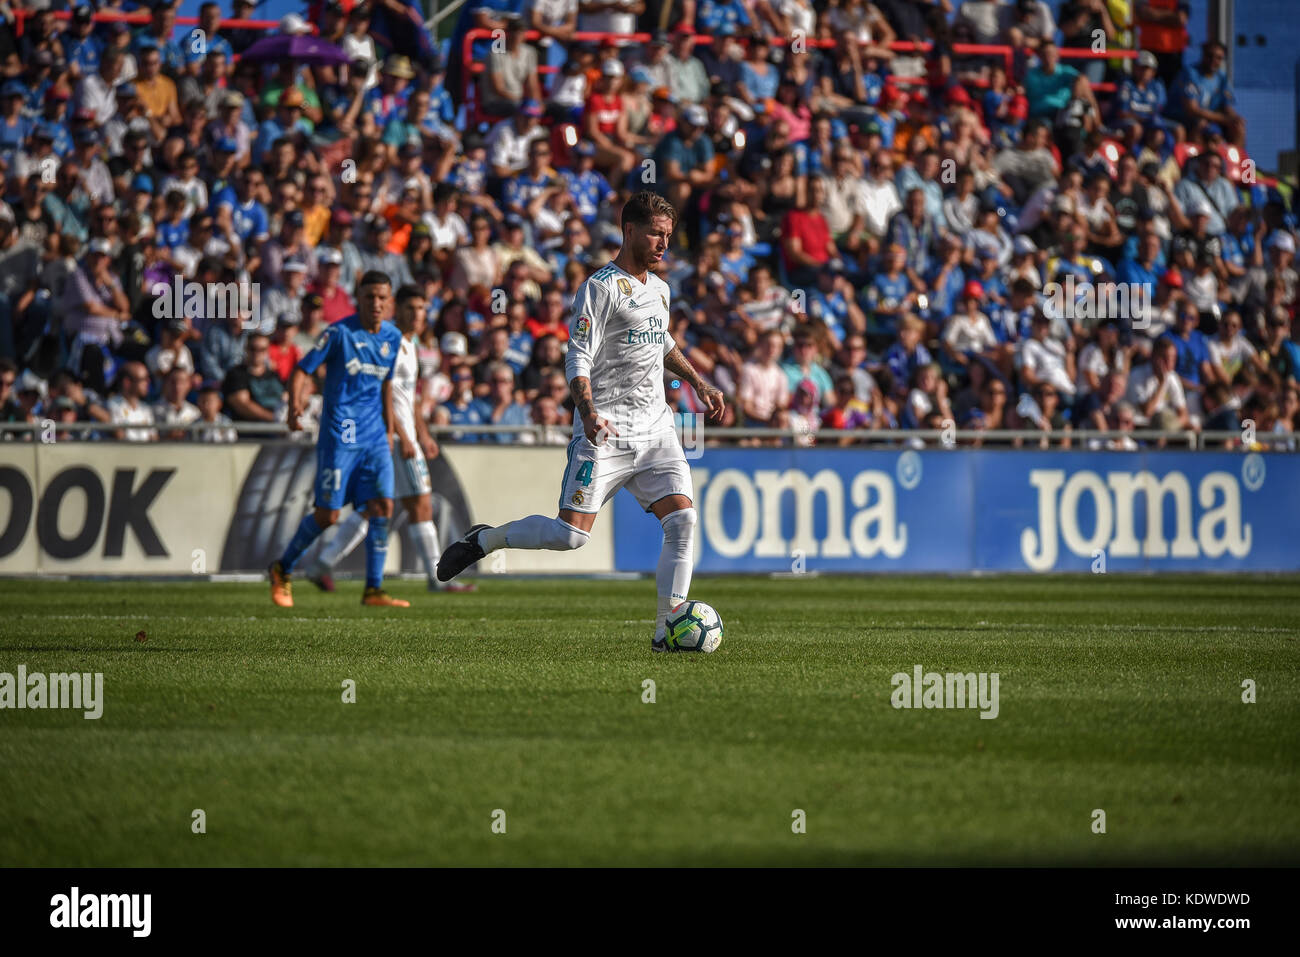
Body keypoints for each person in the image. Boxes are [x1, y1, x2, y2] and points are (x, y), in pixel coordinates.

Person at [435, 192, 726, 652]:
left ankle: (664, 632)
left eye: (668, 235)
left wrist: (700, 383)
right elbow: (578, 355)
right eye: (655, 233)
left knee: (683, 521)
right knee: (569, 536)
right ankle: (487, 539)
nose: (663, 244)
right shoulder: (601, 287)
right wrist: (588, 411)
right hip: (605, 432)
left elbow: (662, 341)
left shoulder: (660, 289)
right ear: (629, 229)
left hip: (656, 431)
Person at [306, 284, 476, 593]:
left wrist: (423, 434)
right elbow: (381, 392)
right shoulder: (393, 344)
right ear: (398, 310)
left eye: (422, 308)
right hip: (395, 439)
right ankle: (437, 580)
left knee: (376, 506)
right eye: (411, 308)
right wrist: (402, 436)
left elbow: (408, 399)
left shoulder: (410, 345)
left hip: (402, 436)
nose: (418, 314)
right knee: (420, 505)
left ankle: (323, 563)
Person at [269, 271, 410, 609]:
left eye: (381, 298)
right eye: (369, 297)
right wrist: (295, 406)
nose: (375, 304)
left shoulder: (392, 337)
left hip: (376, 435)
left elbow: (386, 387)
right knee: (328, 514)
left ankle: (373, 589)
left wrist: (390, 431)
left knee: (382, 506)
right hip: (341, 433)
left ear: (389, 302)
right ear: (358, 299)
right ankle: (282, 568)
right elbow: (303, 369)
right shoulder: (338, 333)